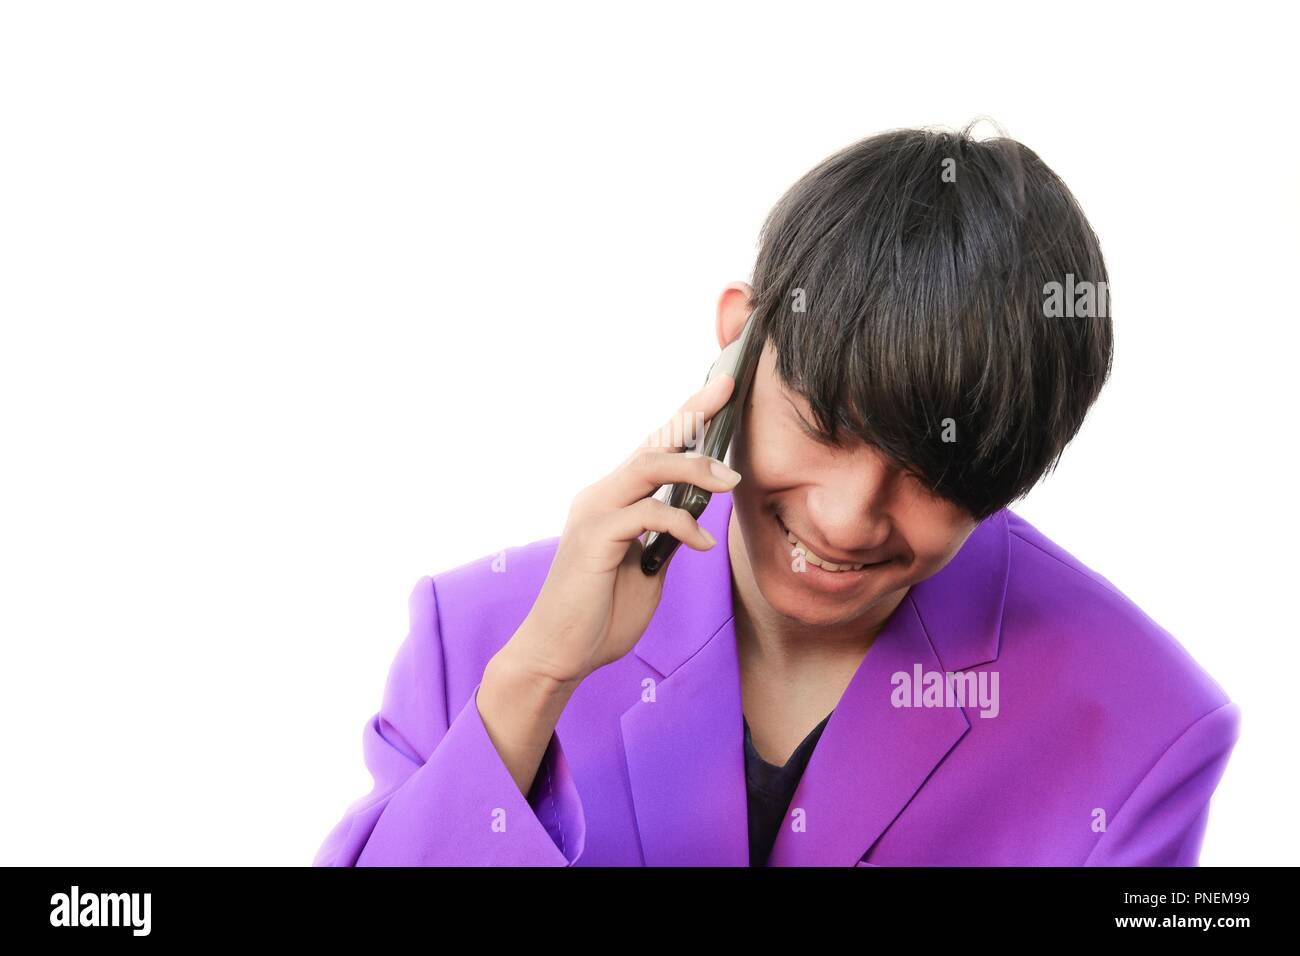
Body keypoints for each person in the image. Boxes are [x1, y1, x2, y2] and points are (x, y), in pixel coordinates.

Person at [312, 124, 1240, 866]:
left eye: (934, 472)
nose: (846, 518)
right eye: (825, 424)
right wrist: (530, 687)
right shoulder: (478, 637)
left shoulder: (1146, 731)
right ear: (737, 344)